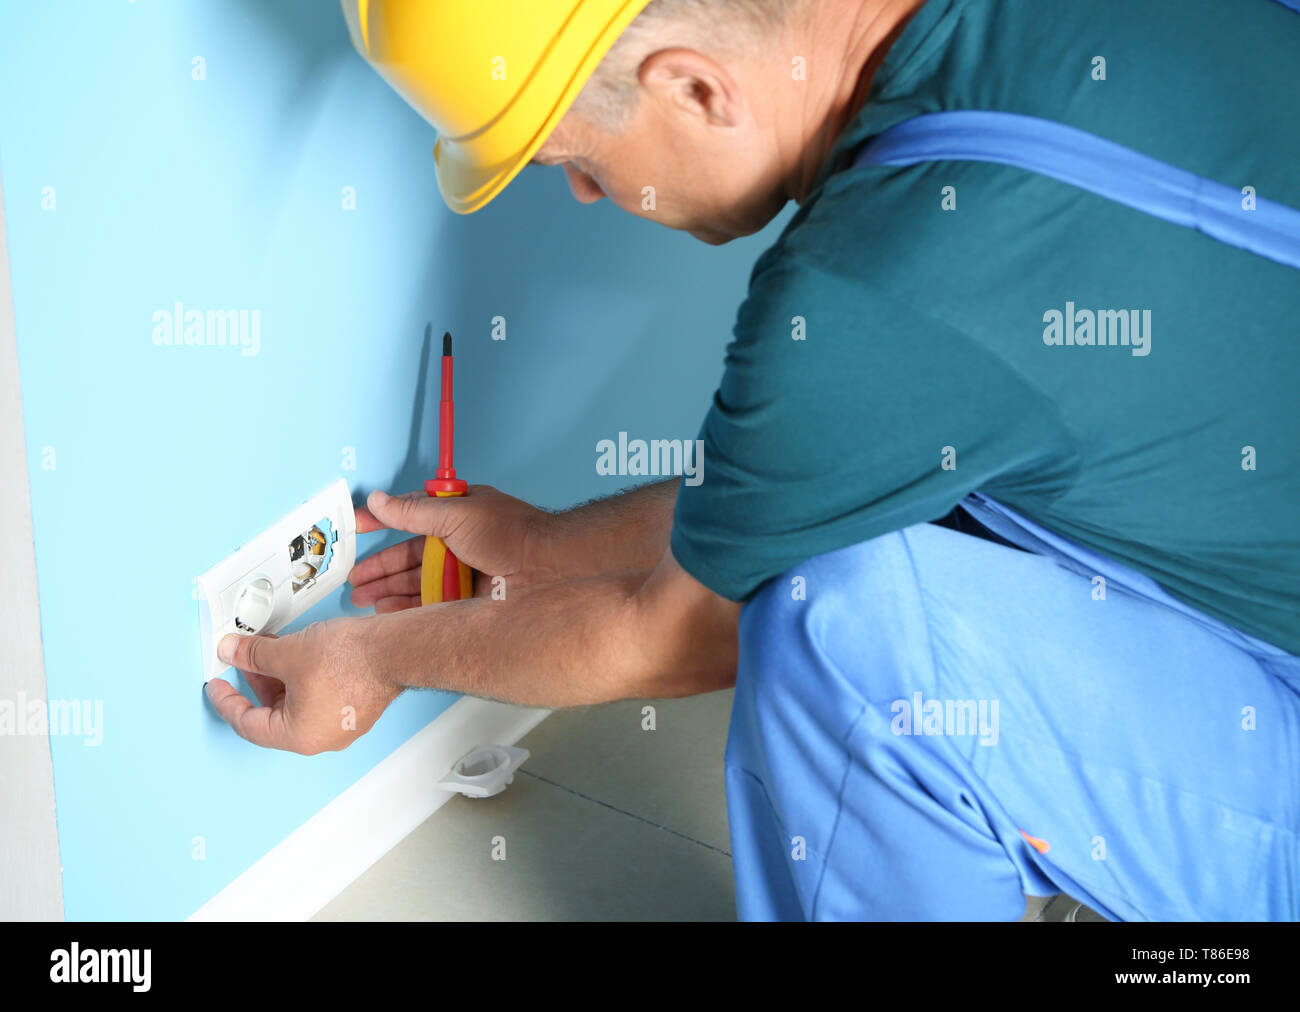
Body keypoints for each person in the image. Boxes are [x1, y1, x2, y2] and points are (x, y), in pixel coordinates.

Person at [206, 0, 1300, 920]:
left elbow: (671, 629)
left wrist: (376, 660)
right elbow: (838, 457)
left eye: (576, 158)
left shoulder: (870, 292)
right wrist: (538, 545)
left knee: (846, 635)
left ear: (695, 89)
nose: (583, 195)